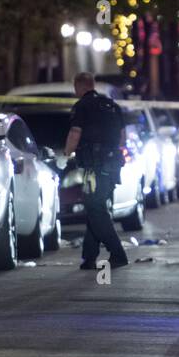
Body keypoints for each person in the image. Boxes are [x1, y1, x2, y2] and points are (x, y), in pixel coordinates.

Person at [64, 73, 129, 270]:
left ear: (78, 86)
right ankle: (89, 257)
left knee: (95, 208)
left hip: (94, 165)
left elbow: (76, 133)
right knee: (98, 207)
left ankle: (117, 253)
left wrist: (67, 153)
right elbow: (122, 137)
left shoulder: (82, 106)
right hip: (113, 163)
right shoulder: (111, 105)